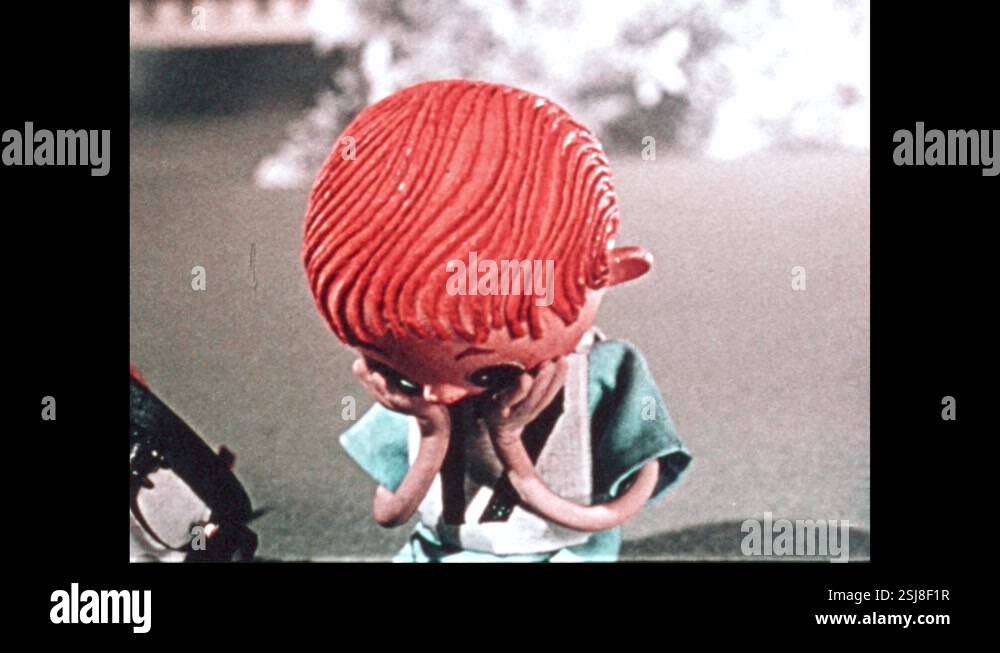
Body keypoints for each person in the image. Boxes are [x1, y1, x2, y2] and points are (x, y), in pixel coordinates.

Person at [302, 79, 691, 561]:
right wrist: (429, 430)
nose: (443, 394)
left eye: (487, 370)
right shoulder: (419, 392)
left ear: (608, 273)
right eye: (394, 364)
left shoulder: (605, 377)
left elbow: (610, 512)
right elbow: (391, 511)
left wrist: (509, 443)